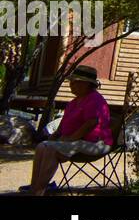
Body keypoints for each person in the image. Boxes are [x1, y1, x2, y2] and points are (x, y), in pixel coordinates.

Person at [24, 65, 114, 195]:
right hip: (74, 141)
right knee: (41, 147)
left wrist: (71, 138)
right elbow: (64, 123)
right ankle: (34, 187)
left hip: (95, 143)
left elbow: (91, 123)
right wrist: (55, 135)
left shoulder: (94, 99)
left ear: (85, 84)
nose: (71, 84)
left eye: (74, 82)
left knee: (51, 149)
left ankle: (39, 191)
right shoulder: (74, 102)